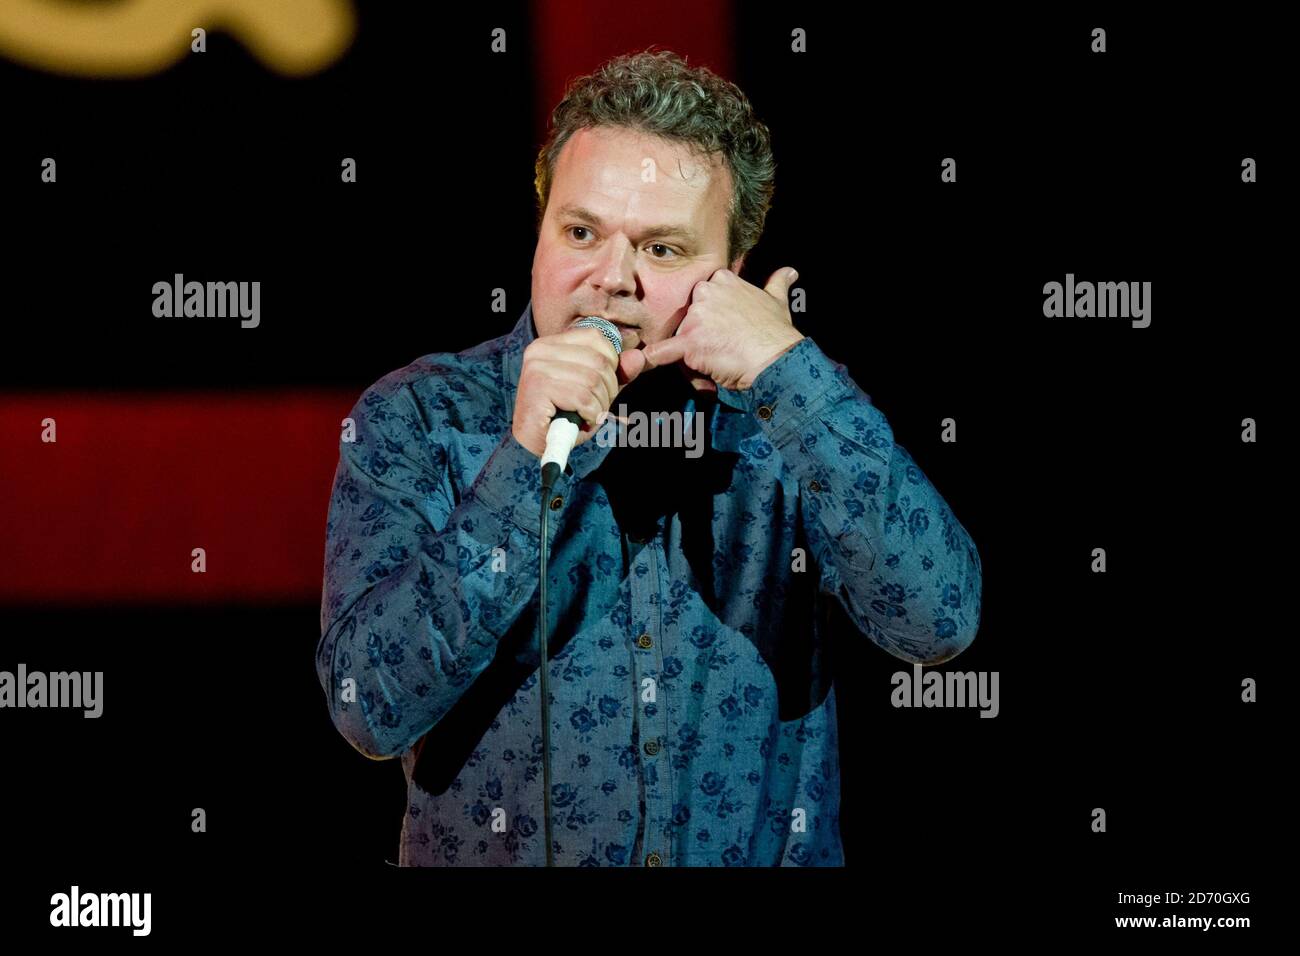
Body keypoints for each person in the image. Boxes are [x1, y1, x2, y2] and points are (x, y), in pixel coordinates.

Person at [316, 49, 982, 866]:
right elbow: (367, 710)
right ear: (541, 227)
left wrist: (791, 377)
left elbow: (938, 621)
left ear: (730, 274)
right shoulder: (422, 416)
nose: (611, 279)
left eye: (662, 250)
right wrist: (522, 467)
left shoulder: (789, 418)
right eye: (581, 232)